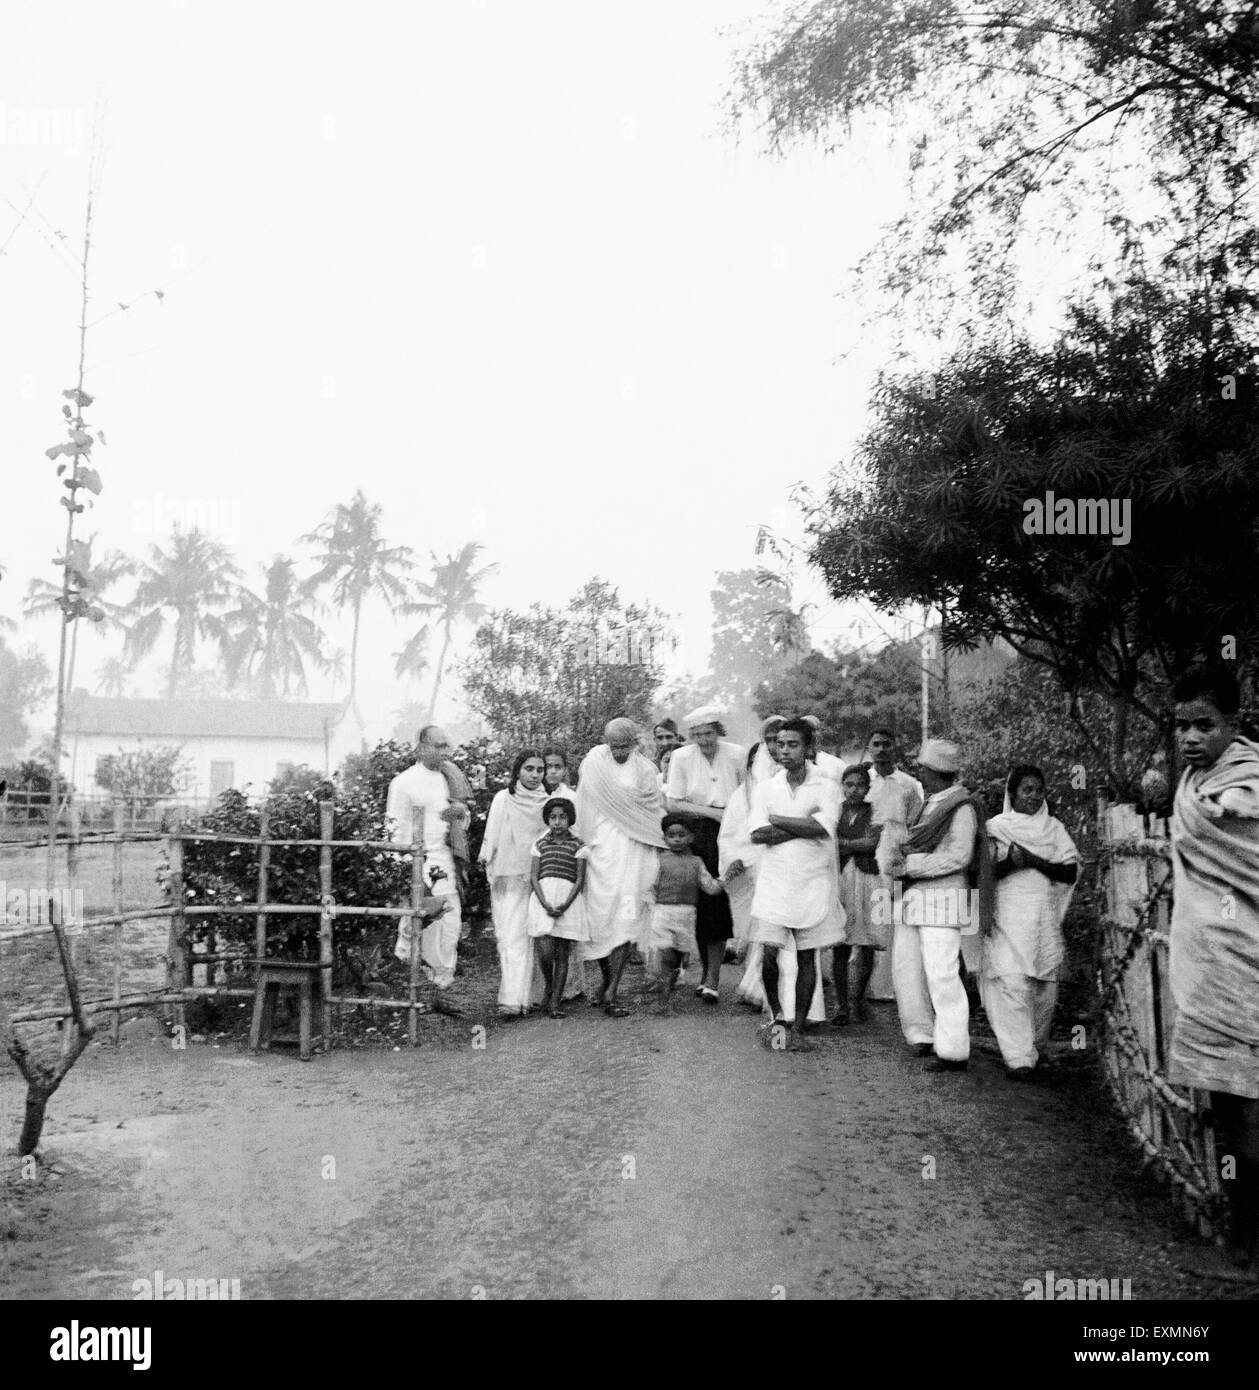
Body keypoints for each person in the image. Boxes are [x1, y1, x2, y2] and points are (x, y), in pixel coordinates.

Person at [1166, 663, 1259, 1281]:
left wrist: (1227, 804)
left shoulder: (1242, 776)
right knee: (1227, 1103)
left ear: (1233, 724)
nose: (1191, 737)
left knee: (1245, 1105)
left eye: (1206, 725)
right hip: (1212, 965)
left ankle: (1248, 1250)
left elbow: (1242, 806)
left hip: (1243, 960)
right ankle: (1239, 1237)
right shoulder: (1196, 779)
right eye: (1182, 726)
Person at [890, 738, 991, 1073]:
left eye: (923, 768)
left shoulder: (961, 806)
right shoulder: (931, 802)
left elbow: (961, 856)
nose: (920, 772)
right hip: (915, 898)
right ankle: (921, 1034)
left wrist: (913, 865)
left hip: (944, 899)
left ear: (934, 771)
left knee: (942, 973)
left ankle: (953, 1050)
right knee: (907, 969)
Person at [747, 717, 845, 1049]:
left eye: (792, 744)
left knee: (807, 958)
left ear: (808, 748)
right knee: (770, 956)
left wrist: (778, 820)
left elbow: (824, 828)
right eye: (779, 743)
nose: (783, 750)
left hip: (812, 883)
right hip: (775, 883)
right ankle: (777, 1017)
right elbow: (758, 834)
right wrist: (803, 823)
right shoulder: (766, 788)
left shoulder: (827, 786)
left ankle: (799, 1026)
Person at [981, 765, 1079, 1078]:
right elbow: (982, 874)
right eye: (1027, 790)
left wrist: (1033, 861)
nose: (1034, 796)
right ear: (1013, 794)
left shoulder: (1053, 828)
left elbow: (1070, 872)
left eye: (1039, 790)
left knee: (1042, 986)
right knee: (1010, 980)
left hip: (1042, 918)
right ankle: (1017, 1057)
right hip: (1007, 914)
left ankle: (1032, 1048)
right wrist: (1011, 863)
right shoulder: (996, 827)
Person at [575, 717, 666, 1017]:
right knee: (600, 919)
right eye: (613, 746)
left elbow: (652, 810)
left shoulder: (645, 770)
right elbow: (582, 805)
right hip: (601, 851)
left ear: (635, 742)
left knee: (626, 919)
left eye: (624, 746)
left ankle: (612, 991)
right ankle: (606, 981)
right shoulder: (592, 762)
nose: (617, 752)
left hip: (635, 851)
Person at [666, 704, 745, 1002]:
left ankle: (713, 977)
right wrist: (712, 814)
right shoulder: (682, 757)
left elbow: (747, 793)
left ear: (719, 730)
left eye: (708, 733)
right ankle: (699, 974)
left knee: (719, 902)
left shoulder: (736, 754)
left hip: (729, 834)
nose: (703, 740)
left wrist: (730, 818)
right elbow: (674, 802)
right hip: (695, 834)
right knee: (697, 902)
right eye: (697, 734)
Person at [386, 726, 470, 989]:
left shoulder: (450, 777)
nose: (444, 751)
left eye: (447, 745)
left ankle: (443, 978)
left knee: (450, 921)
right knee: (421, 921)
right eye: (438, 746)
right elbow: (394, 831)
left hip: (445, 857)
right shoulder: (403, 782)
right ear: (421, 747)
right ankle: (417, 976)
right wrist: (405, 870)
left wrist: (460, 812)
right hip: (417, 861)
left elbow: (462, 821)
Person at [479, 749, 549, 1018]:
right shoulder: (504, 798)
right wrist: (489, 865)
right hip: (506, 876)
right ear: (518, 770)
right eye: (529, 769)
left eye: (539, 770)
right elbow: (492, 835)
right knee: (508, 936)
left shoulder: (548, 802)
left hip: (535, 877)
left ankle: (525, 998)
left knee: (531, 936)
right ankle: (513, 997)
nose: (534, 775)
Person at [864, 728, 924, 1004]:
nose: (881, 749)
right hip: (866, 850)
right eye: (876, 744)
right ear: (869, 747)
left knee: (892, 919)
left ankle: (886, 986)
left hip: (896, 850)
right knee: (868, 915)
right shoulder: (862, 780)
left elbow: (915, 824)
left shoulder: (909, 784)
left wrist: (906, 854)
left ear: (894, 748)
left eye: (887, 744)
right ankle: (861, 984)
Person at [649, 813, 725, 1014]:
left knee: (675, 960)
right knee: (666, 957)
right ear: (664, 838)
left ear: (691, 837)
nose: (676, 839)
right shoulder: (659, 861)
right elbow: (650, 887)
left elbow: (710, 887)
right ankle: (664, 1002)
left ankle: (666, 993)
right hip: (663, 913)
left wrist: (727, 878)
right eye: (671, 835)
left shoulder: (696, 862)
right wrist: (651, 909)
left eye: (681, 835)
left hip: (686, 917)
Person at [527, 796, 589, 1019]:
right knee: (544, 950)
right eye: (553, 817)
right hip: (543, 900)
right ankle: (549, 986)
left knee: (562, 953)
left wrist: (565, 904)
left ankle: (555, 1002)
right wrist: (544, 903)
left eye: (562, 817)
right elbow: (534, 877)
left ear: (570, 819)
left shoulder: (578, 845)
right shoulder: (540, 844)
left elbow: (580, 879)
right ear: (547, 820)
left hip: (568, 902)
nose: (557, 822)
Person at [833, 764, 884, 1026]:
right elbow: (826, 841)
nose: (854, 790)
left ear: (867, 788)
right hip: (840, 877)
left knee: (866, 941)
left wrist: (843, 844)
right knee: (840, 942)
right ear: (842, 786)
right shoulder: (834, 810)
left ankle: (859, 998)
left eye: (860, 785)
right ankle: (842, 1003)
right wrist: (854, 845)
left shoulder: (874, 812)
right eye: (849, 784)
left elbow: (871, 843)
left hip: (867, 878)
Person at [802, 714, 845, 784]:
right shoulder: (787, 765)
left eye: (815, 730)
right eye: (805, 730)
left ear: (821, 734)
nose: (811, 734)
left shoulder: (837, 764)